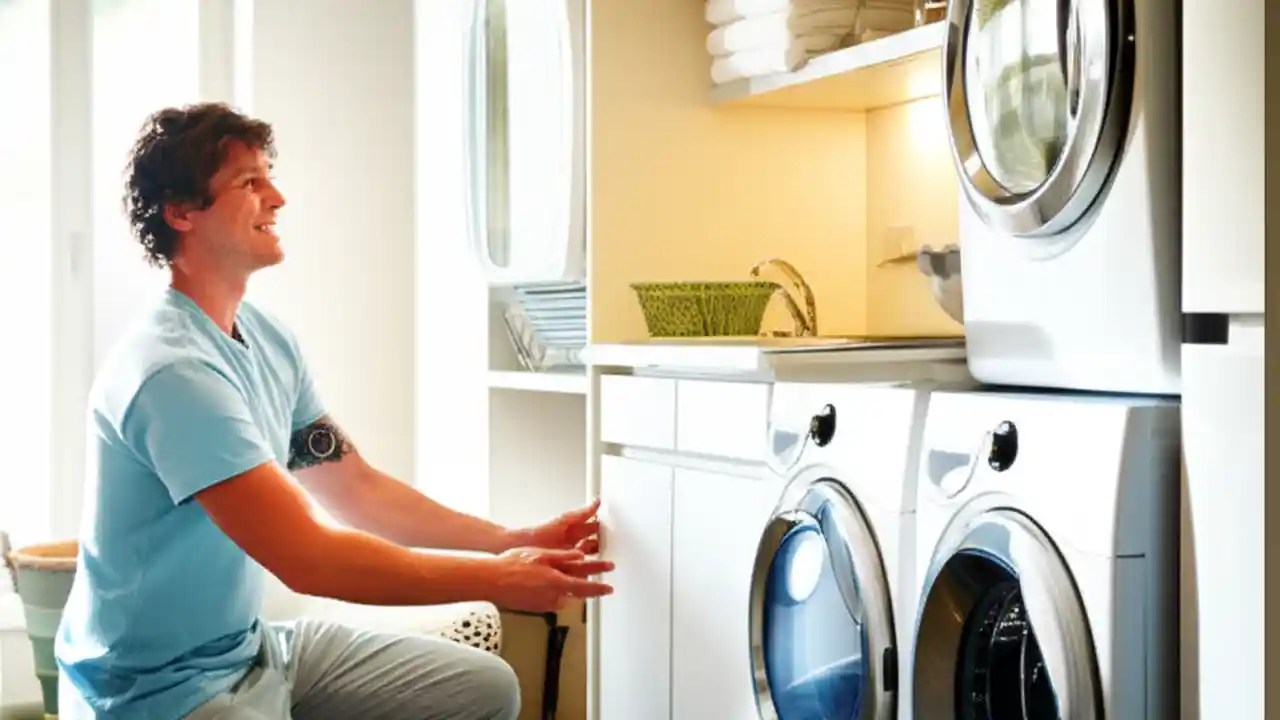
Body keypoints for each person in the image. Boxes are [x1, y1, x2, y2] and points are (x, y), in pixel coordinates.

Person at [54, 101, 614, 720]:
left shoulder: (264, 338)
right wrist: (496, 579)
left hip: (248, 649)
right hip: (151, 689)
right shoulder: (172, 374)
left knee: (485, 688)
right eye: (250, 182)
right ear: (182, 212)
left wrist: (504, 542)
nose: (278, 197)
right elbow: (307, 559)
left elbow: (355, 487)